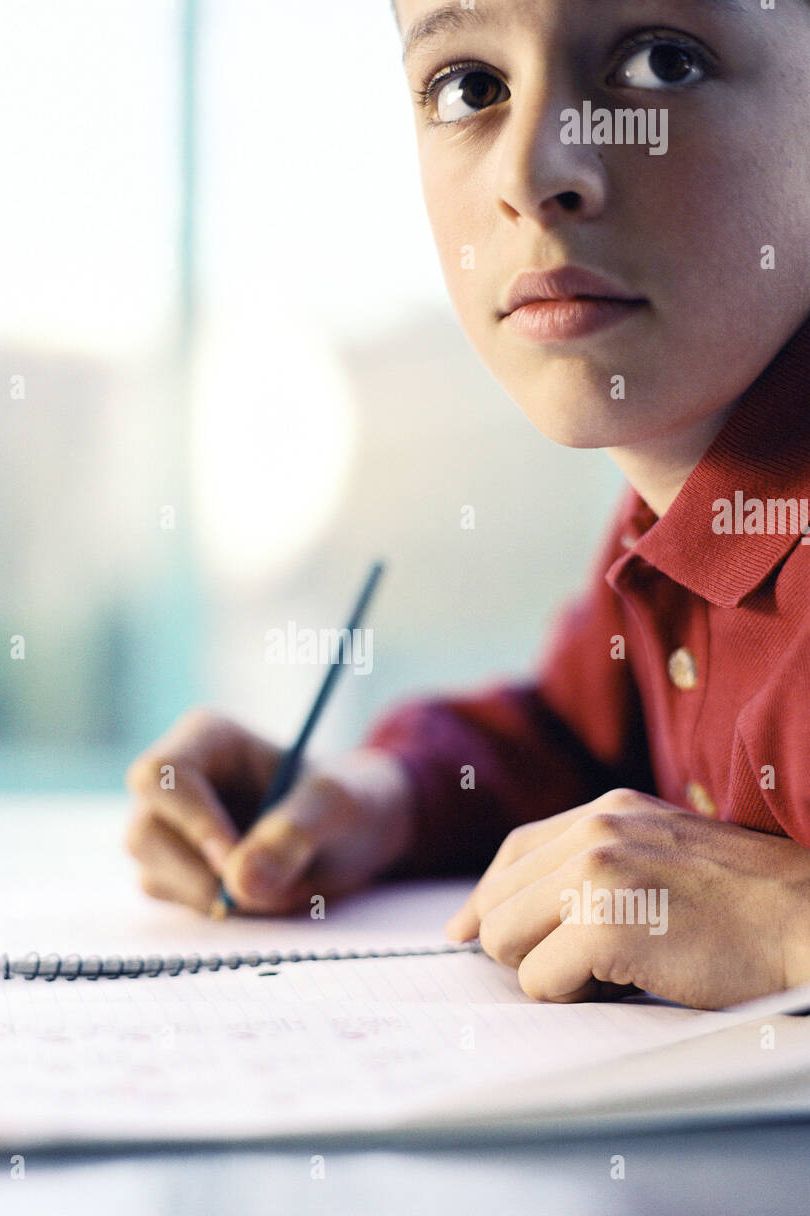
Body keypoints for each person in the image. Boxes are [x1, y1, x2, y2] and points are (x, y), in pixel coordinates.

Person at [126, 0, 810, 1010]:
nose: (533, 173)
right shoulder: (678, 512)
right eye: (468, 88)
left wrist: (790, 926)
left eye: (662, 64)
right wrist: (372, 797)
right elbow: (569, 741)